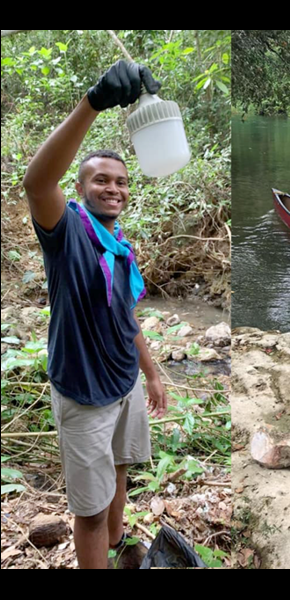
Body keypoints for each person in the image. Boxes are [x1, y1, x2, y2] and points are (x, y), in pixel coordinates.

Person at [20, 60, 169, 569]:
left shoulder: (119, 245)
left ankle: (116, 541)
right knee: (87, 510)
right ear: (81, 189)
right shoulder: (67, 232)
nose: (114, 188)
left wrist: (150, 373)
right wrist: (92, 103)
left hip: (123, 381)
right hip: (83, 392)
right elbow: (36, 183)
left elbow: (126, 315)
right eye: (101, 180)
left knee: (121, 469)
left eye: (122, 182)